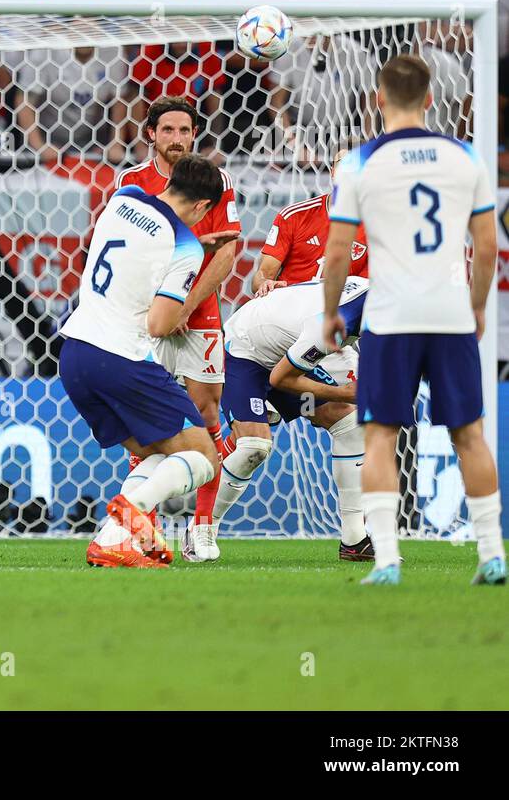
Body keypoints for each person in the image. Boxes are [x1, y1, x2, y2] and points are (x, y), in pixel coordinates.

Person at [323, 54, 504, 586]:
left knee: (379, 434)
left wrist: (332, 311)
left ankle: (386, 563)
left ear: (379, 98)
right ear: (430, 99)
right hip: (449, 312)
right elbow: (488, 245)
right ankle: (492, 556)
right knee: (469, 434)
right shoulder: (466, 157)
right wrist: (475, 305)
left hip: (390, 316)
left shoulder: (360, 163)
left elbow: (337, 253)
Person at [61, 154, 234, 569]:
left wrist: (187, 248)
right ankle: (130, 510)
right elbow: (159, 324)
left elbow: (141, 243)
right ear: (203, 208)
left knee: (158, 450)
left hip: (75, 353)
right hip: (120, 358)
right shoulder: (186, 247)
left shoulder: (124, 196)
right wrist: (189, 265)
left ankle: (114, 539)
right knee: (205, 456)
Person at [116, 97, 240, 561]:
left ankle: (201, 529)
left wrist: (185, 305)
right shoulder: (131, 183)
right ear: (150, 133)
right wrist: (159, 309)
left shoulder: (215, 181)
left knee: (208, 417)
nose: (176, 139)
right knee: (144, 423)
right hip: (147, 314)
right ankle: (138, 524)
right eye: (167, 130)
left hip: (200, 312)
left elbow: (227, 253)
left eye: (184, 130)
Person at [216, 277, 371, 559]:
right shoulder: (330, 327)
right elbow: (281, 378)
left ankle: (354, 541)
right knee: (253, 447)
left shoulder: (372, 298)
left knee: (351, 424)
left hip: (288, 348)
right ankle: (202, 529)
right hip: (246, 348)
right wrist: (341, 393)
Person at [252, 166, 368, 295]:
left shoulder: (376, 228)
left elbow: (366, 289)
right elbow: (262, 276)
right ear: (332, 171)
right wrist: (264, 283)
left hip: (338, 310)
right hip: (290, 307)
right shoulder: (293, 216)